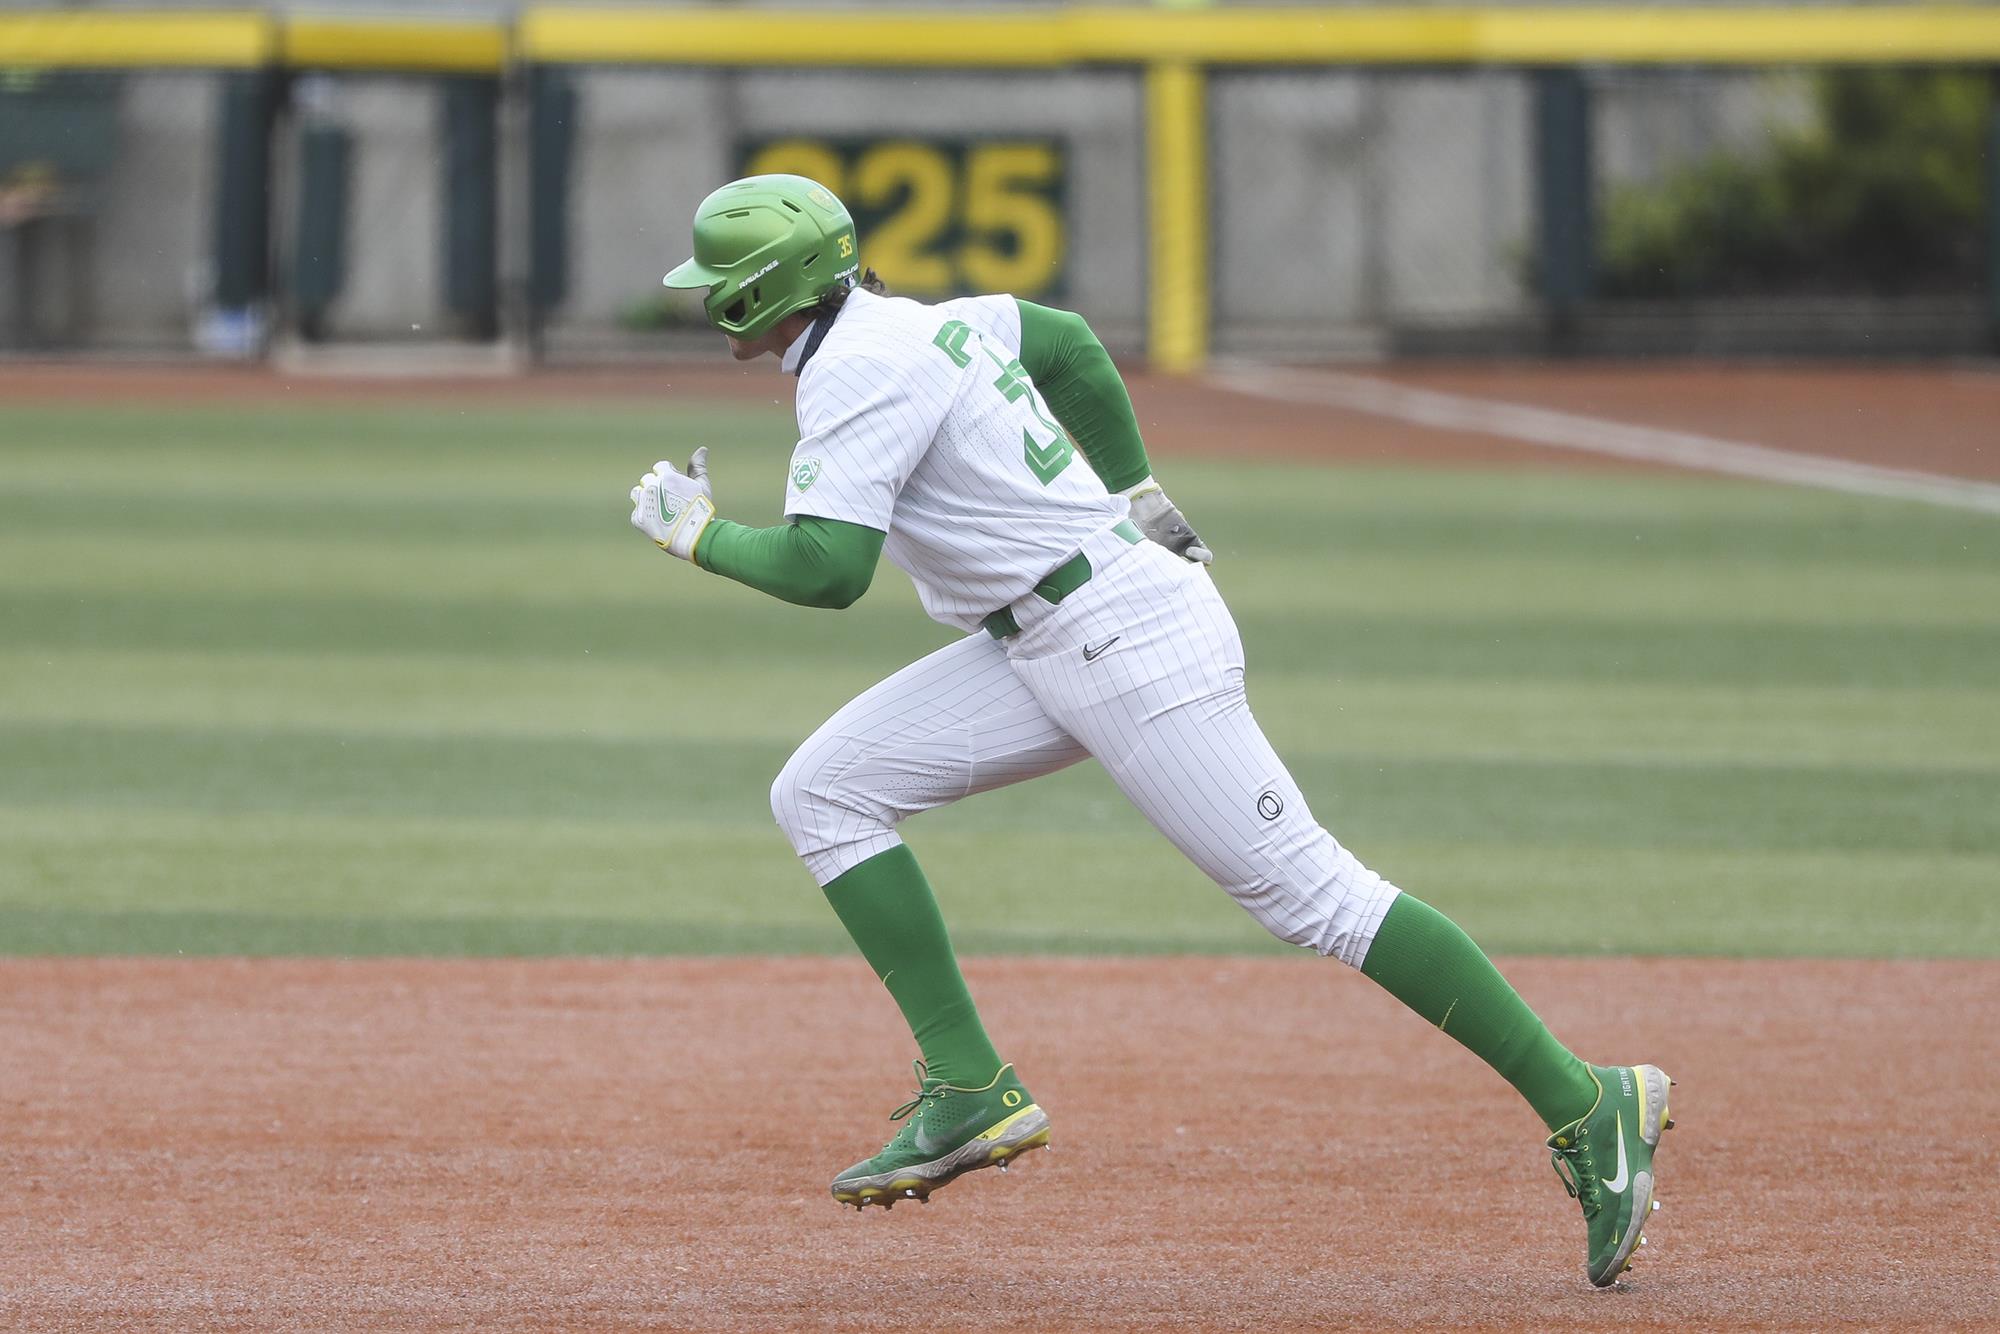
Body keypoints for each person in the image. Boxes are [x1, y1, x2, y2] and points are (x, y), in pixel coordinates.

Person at [629, 174, 1674, 1287]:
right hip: (1051, 634)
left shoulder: (852, 368)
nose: (706, 302)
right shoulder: (925, 321)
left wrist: (697, 536)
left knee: (1312, 892)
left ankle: (1586, 1099)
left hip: (1119, 640)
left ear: (760, 292)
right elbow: (1068, 340)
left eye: (719, 285)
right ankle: (969, 1084)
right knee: (824, 789)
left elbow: (827, 571)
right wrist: (1134, 489)